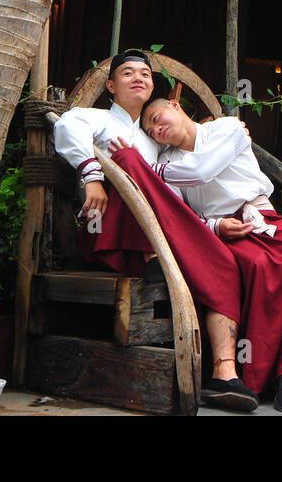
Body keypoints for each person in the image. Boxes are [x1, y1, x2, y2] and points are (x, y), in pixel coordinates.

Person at [53, 50, 256, 412]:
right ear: (111, 86)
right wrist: (92, 175)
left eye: (145, 73)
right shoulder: (98, 119)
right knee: (130, 164)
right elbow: (67, 126)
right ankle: (156, 262)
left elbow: (175, 192)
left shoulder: (157, 142)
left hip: (159, 233)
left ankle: (225, 373)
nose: (138, 78)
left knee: (223, 264)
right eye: (128, 73)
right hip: (110, 231)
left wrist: (233, 132)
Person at [136, 95, 282, 412]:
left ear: (174, 105)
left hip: (263, 217)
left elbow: (201, 170)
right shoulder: (170, 160)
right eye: (150, 130)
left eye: (157, 118)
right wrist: (216, 225)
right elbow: (183, 216)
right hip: (227, 234)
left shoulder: (226, 129)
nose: (157, 129)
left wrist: (151, 170)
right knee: (256, 265)